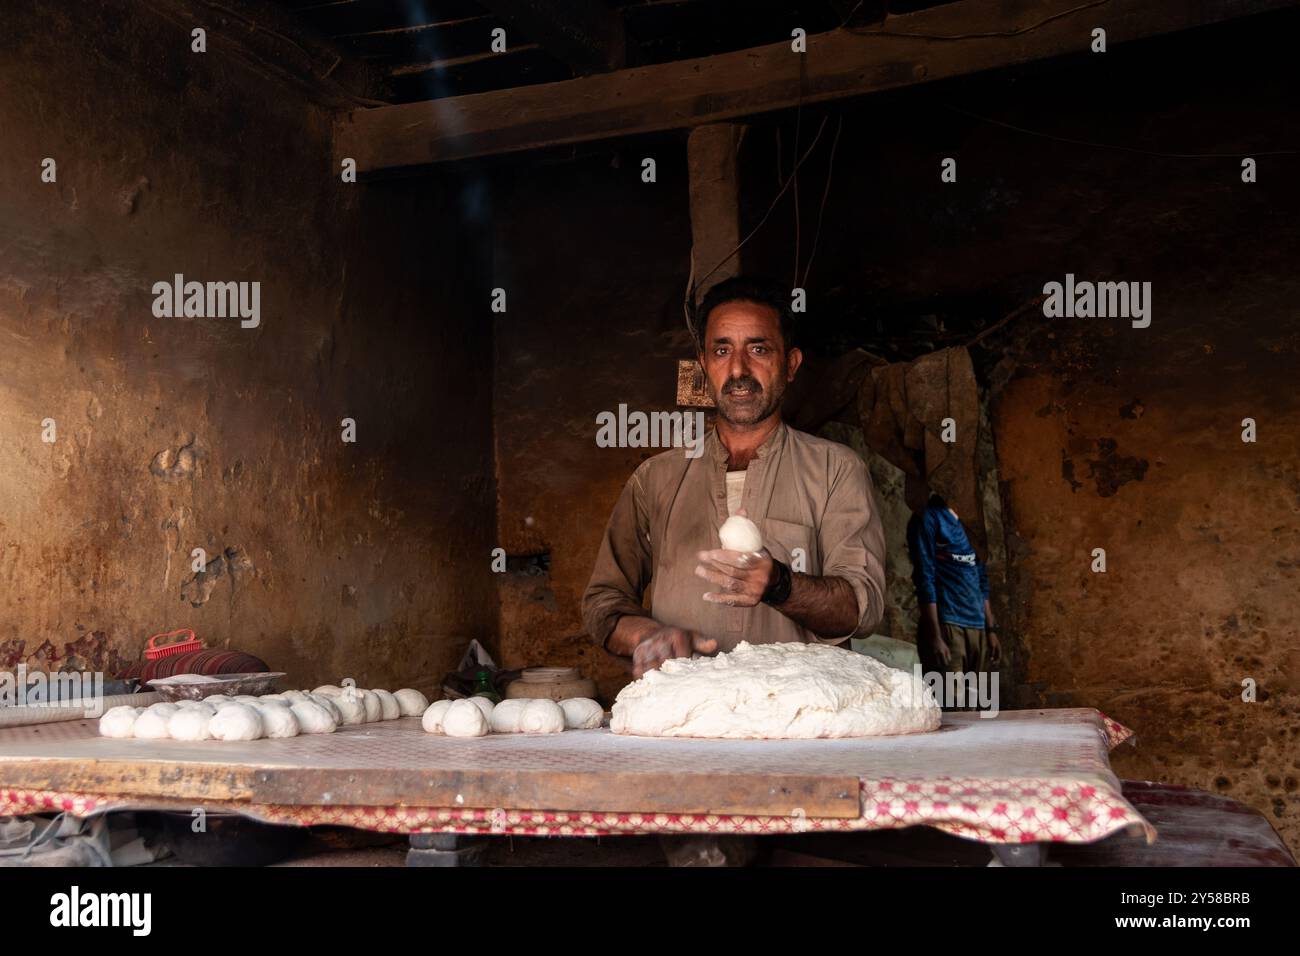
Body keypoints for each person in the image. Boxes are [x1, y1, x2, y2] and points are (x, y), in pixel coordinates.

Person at [582, 276, 887, 679]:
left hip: (799, 723)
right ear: (704, 364)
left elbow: (861, 609)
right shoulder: (654, 479)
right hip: (686, 718)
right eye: (722, 350)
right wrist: (647, 635)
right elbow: (604, 600)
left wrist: (780, 584)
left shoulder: (836, 470)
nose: (739, 369)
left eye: (758, 349)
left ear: (791, 364)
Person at [905, 480, 1000, 709]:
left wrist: (990, 629)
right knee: (951, 707)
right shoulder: (928, 518)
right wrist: (935, 636)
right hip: (949, 627)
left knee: (975, 706)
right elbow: (925, 577)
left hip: (976, 626)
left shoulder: (970, 522)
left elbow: (981, 576)